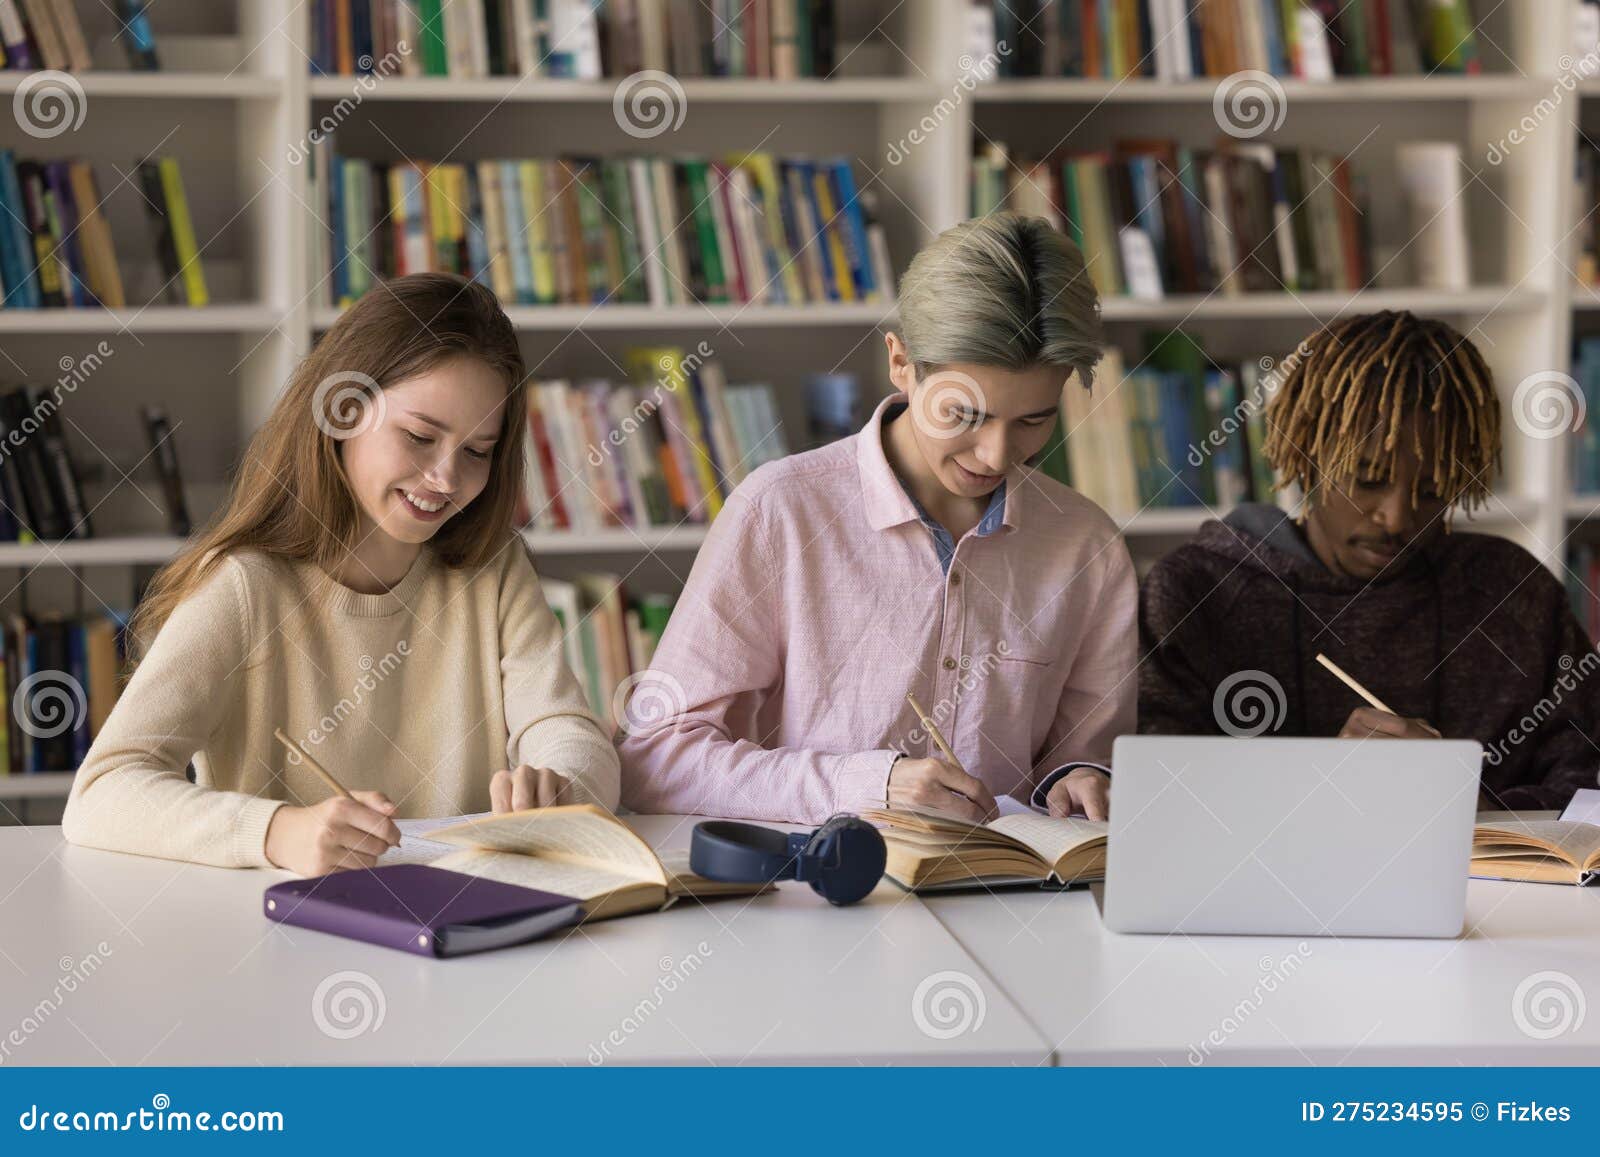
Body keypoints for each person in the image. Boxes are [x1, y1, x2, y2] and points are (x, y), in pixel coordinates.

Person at [62, 274, 619, 874]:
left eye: (477, 451)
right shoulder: (244, 586)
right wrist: (276, 832)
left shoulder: (495, 568)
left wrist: (563, 786)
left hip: (466, 927)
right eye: (419, 436)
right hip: (284, 934)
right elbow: (102, 793)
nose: (445, 478)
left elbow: (567, 728)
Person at [618, 213, 1137, 824]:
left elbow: (1084, 759)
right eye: (966, 415)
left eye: (1032, 421)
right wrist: (859, 784)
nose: (998, 455)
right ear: (900, 362)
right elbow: (653, 762)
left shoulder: (1088, 546)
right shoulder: (779, 511)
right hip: (813, 904)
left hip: (1015, 904)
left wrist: (1079, 779)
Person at [1141, 310, 1599, 809]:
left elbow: (1584, 797)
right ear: (1307, 453)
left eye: (1431, 489)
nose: (1397, 517)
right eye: (1368, 479)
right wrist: (1320, 793)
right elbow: (1160, 801)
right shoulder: (1196, 593)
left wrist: (1466, 804)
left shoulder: (1514, 594)